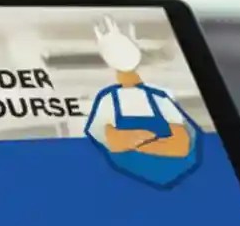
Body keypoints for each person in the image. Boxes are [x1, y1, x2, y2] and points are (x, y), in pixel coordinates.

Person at [83, 15, 201, 188]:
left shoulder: (158, 98)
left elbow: (181, 142)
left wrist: (137, 143)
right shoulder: (110, 99)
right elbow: (103, 137)